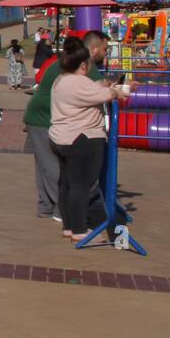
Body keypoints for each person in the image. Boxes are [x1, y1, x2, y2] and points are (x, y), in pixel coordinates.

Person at [50, 36, 130, 241]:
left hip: (61, 138)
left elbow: (93, 91)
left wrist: (104, 86)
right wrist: (117, 90)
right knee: (81, 186)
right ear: (84, 64)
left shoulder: (61, 80)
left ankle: (69, 226)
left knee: (67, 184)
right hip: (82, 139)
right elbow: (105, 95)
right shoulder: (79, 83)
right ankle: (78, 230)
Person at [24, 29, 108, 221]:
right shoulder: (85, 64)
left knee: (44, 164)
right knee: (54, 167)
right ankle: (62, 210)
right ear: (94, 49)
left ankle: (46, 206)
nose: (106, 53)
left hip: (41, 115)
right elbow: (97, 91)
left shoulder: (72, 61)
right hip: (45, 117)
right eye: (105, 49)